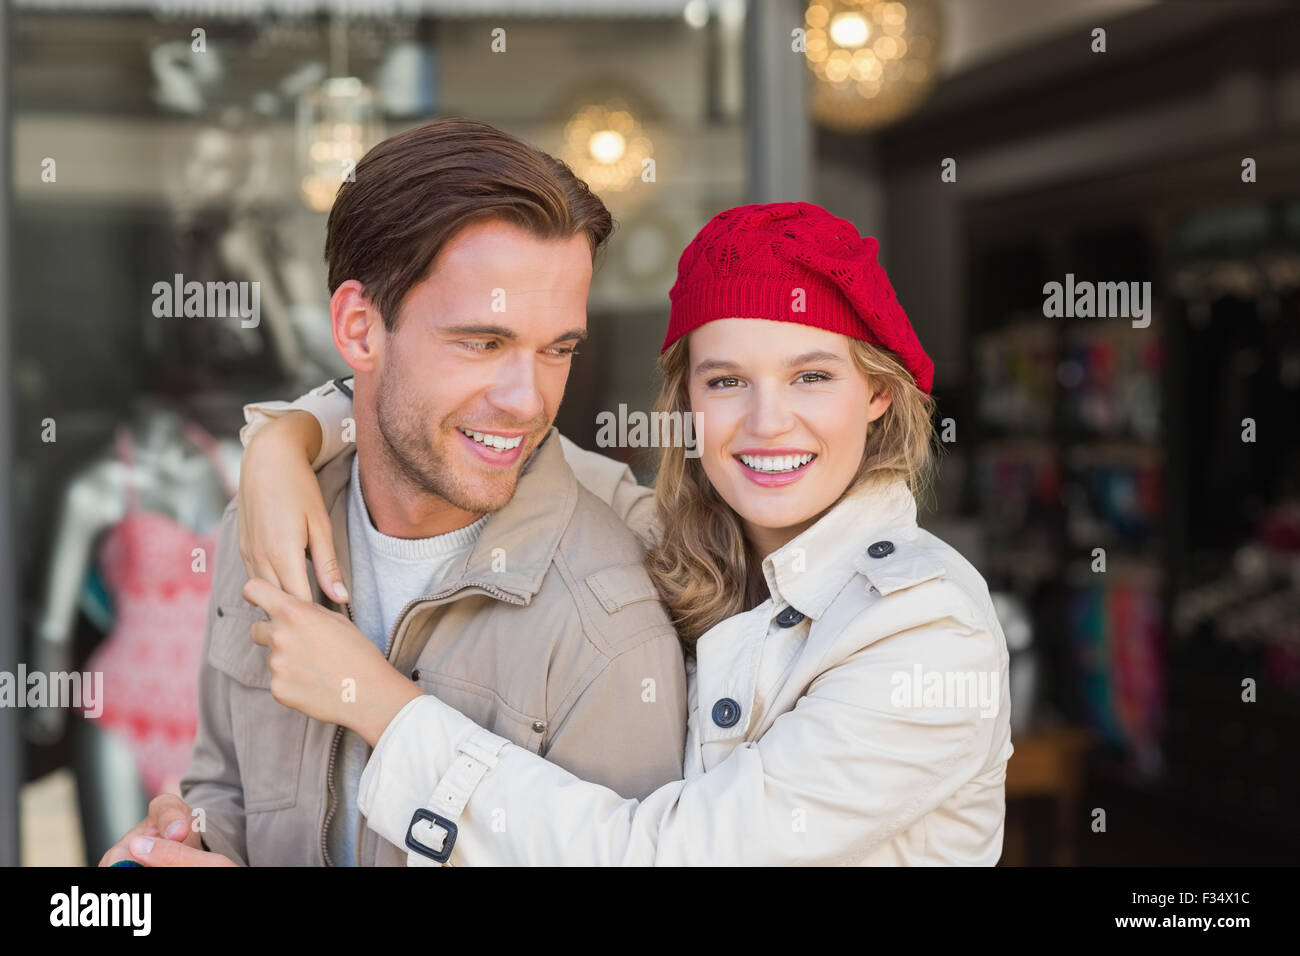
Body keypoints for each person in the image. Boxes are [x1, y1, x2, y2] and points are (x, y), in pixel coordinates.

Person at [207, 202, 1015, 866]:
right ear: (687, 402)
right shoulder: (675, 536)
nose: (768, 424)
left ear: (877, 394)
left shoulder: (923, 629)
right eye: (727, 380)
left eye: (812, 375)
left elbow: (664, 857)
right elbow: (475, 433)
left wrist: (384, 706)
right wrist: (285, 442)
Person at [98, 117, 689, 867]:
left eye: (558, 351)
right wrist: (191, 841)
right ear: (358, 328)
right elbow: (227, 786)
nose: (528, 400)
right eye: (484, 342)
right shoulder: (267, 522)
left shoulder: (611, 622)